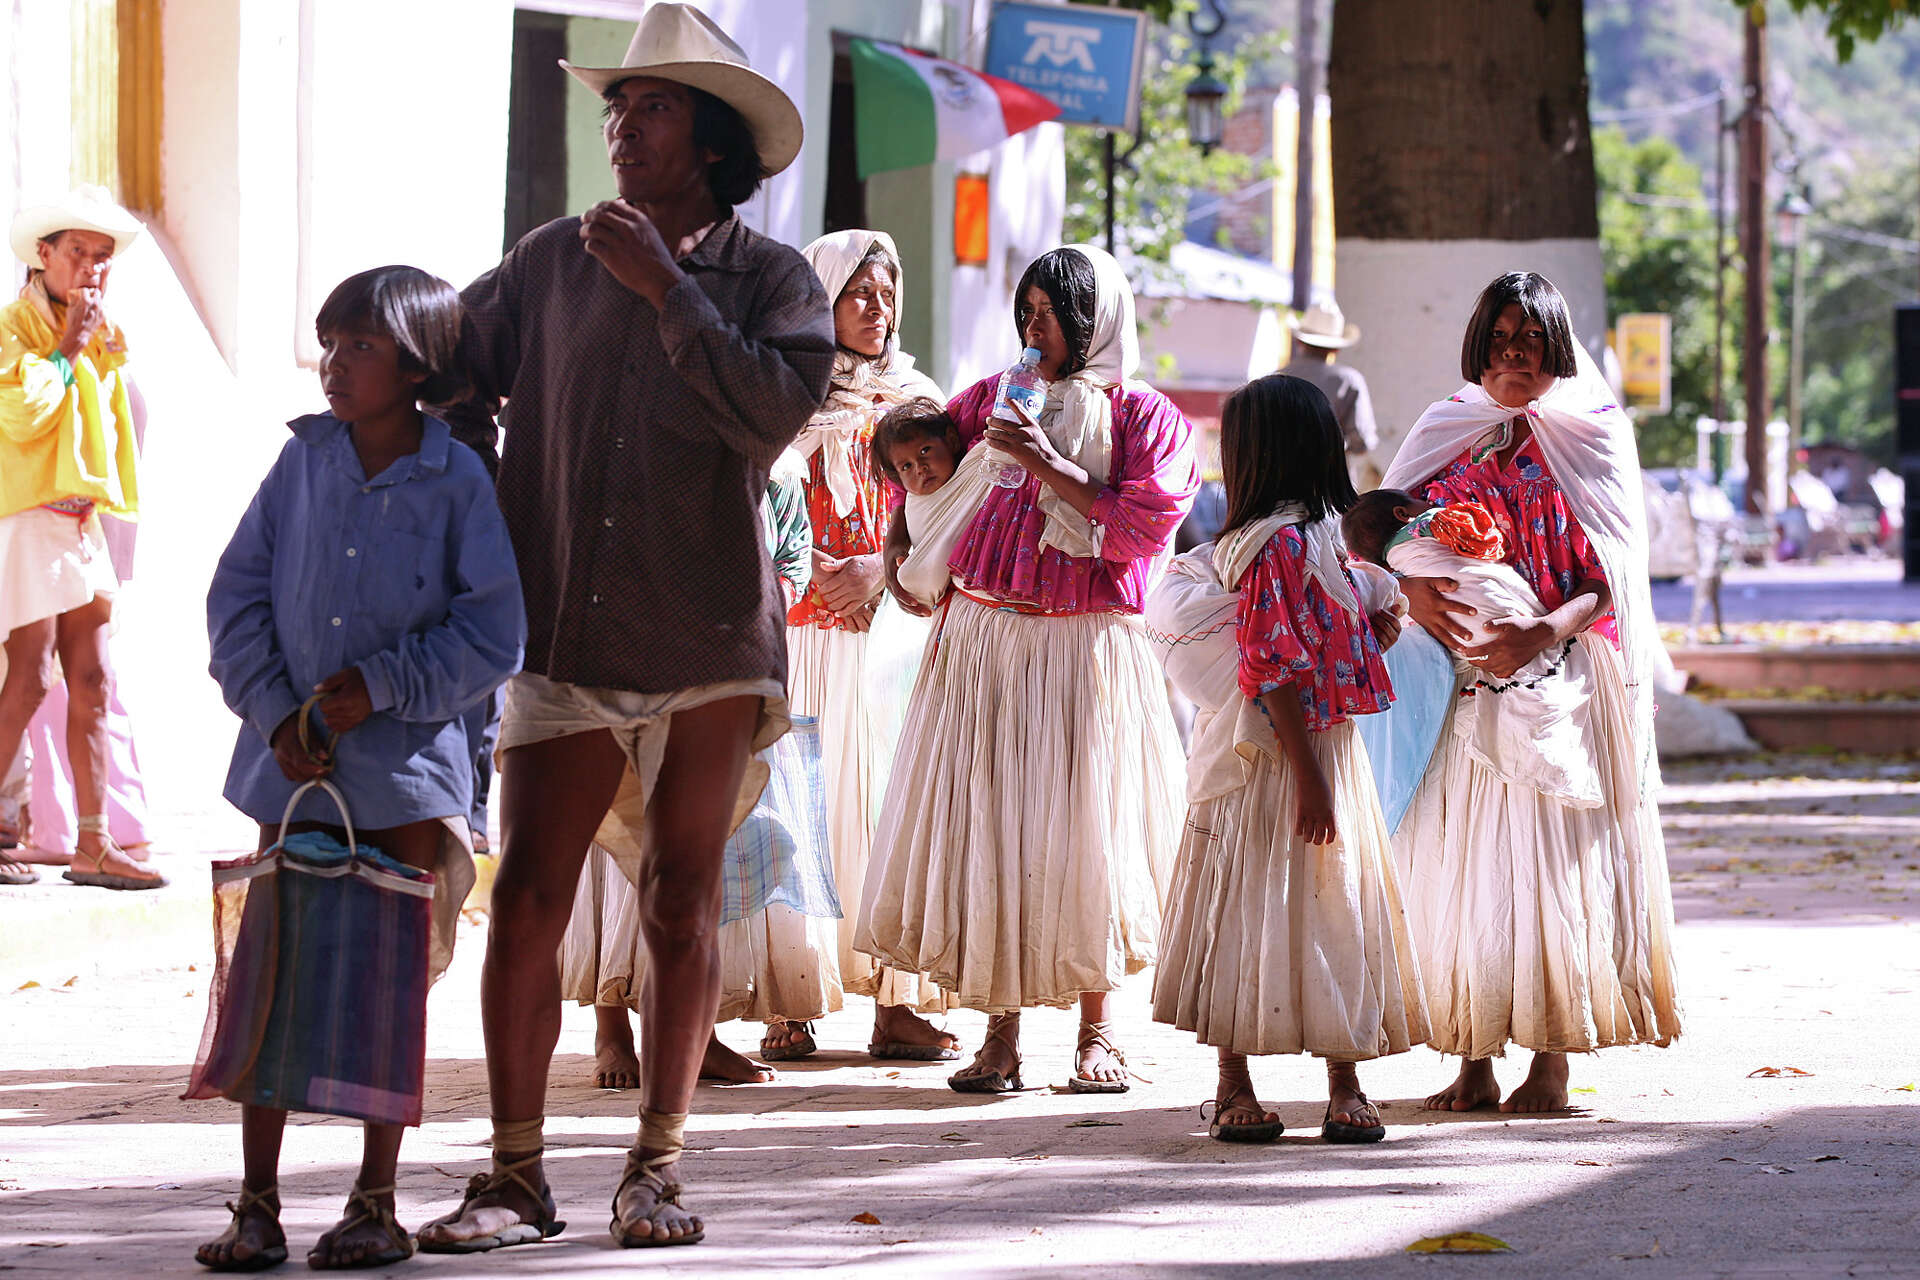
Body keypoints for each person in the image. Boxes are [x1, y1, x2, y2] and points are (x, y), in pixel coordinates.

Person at [414, 4, 833, 1253]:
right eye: (617, 105)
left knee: (682, 897)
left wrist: (667, 292)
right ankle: (514, 1172)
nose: (621, 125)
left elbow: (766, 417)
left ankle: (657, 1162)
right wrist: (389, 346)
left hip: (707, 634)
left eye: (650, 107)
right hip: (562, 629)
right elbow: (456, 354)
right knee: (531, 892)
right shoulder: (549, 256)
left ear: (709, 140)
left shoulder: (773, 279)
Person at [195, 265, 524, 1271]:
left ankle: (373, 1199)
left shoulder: (461, 477)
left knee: (384, 986)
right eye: (330, 342)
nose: (335, 363)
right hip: (292, 770)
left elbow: (494, 631)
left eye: (361, 347)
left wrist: (380, 685)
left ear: (417, 366)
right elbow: (235, 596)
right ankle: (255, 1203)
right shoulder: (302, 463)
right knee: (272, 974)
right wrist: (274, 708)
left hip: (407, 774)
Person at [861, 243, 1198, 1095]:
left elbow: (1140, 529)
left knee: (1085, 832)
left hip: (1080, 648)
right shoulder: (984, 400)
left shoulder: (1144, 419)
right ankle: (999, 1039)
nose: (1032, 328)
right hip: (981, 640)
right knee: (993, 829)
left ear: (1095, 321)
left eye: (1050, 314)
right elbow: (917, 462)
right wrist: (903, 545)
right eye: (1026, 313)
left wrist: (1046, 460)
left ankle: (1097, 1035)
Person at [1384, 271, 1681, 1113]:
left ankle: (1551, 1058)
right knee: (1464, 867)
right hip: (1457, 688)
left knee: (1555, 867)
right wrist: (1412, 594)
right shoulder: (1447, 429)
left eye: (1533, 342)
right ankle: (1471, 1054)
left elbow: (1611, 576)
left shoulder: (1590, 437)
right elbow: (1375, 535)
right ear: (1480, 348)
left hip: (1562, 687)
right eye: (1503, 340)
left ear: (1557, 351)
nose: (1516, 356)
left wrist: (1539, 633)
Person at [1148, 373, 1425, 1143]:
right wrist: (1310, 780)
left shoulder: (1311, 540)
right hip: (1288, 754)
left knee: (1263, 903)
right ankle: (1273, 1082)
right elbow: (1274, 666)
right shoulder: (1280, 545)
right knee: (1307, 901)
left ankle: (1296, 1078)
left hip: (1287, 749)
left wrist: (1369, 634)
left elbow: (1322, 637)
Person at [740, 228, 954, 1066]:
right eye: (859, 292)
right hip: (799, 629)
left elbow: (944, 503)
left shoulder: (918, 395)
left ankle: (897, 1004)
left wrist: (880, 563)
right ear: (820, 297)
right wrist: (807, 563)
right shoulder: (779, 385)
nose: (878, 308)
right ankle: (789, 1000)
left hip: (888, 630)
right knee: (798, 809)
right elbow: (747, 494)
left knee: (883, 808)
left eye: (887, 292)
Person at [560, 462, 834, 1089]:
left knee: (710, 853)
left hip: (722, 682)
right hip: (623, 673)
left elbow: (785, 582)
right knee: (614, 852)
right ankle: (612, 1030)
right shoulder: (643, 460)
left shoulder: (779, 481)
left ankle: (693, 1033)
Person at [0, 186, 160, 890]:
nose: (91, 268)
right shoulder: (14, 327)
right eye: (77, 253)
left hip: (81, 521)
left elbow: (111, 437)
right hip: (31, 519)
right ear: (45, 254)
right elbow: (25, 415)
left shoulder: (105, 334)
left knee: (91, 679)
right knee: (31, 678)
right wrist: (67, 346)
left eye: (101, 258)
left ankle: (94, 845)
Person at [871, 397, 975, 610]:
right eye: (906, 466)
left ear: (953, 441)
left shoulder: (973, 473)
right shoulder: (913, 503)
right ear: (897, 478)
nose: (920, 468)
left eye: (925, 451)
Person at [1281, 299, 1380, 490]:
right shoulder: (1348, 380)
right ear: (1337, 347)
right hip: (1327, 485)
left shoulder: (1274, 378)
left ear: (1299, 340)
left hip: (1277, 483)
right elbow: (1362, 440)